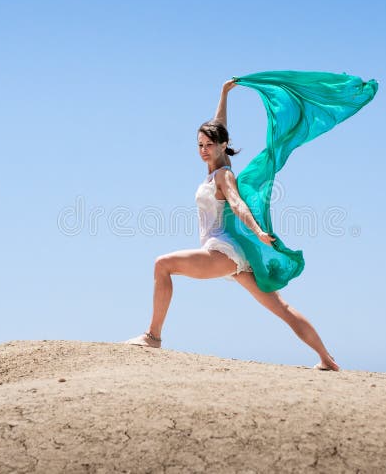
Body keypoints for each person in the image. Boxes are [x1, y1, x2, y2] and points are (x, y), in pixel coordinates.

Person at [124, 79, 339, 371]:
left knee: (162, 265)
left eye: (208, 145)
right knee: (282, 309)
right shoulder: (214, 168)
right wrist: (225, 93)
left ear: (223, 145)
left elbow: (237, 204)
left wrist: (258, 231)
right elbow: (219, 125)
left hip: (223, 252)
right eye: (199, 145)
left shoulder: (224, 176)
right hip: (232, 256)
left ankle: (153, 336)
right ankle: (328, 360)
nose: (203, 150)